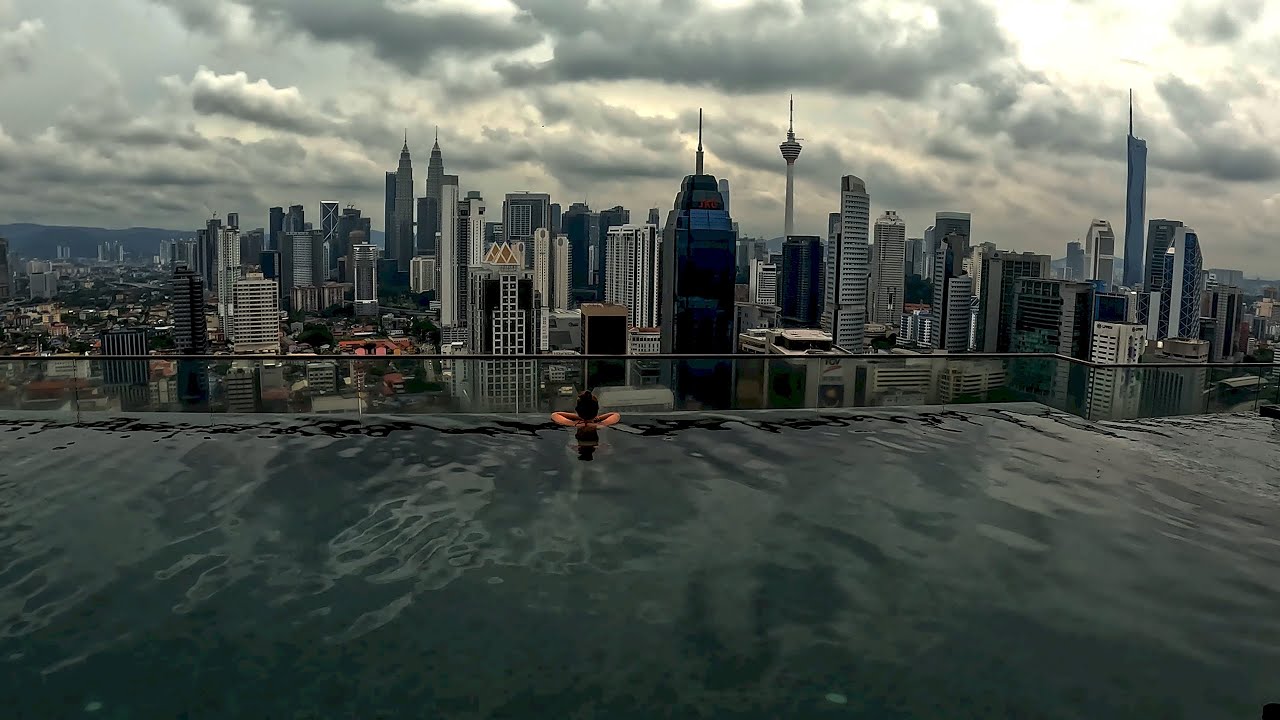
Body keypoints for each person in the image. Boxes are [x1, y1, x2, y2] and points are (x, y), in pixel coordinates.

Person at [552, 390, 620, 429]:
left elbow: (555, 414)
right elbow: (616, 415)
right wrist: (596, 418)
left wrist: (580, 417)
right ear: (597, 409)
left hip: (574, 450)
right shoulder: (602, 424)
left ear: (577, 410)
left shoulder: (573, 424)